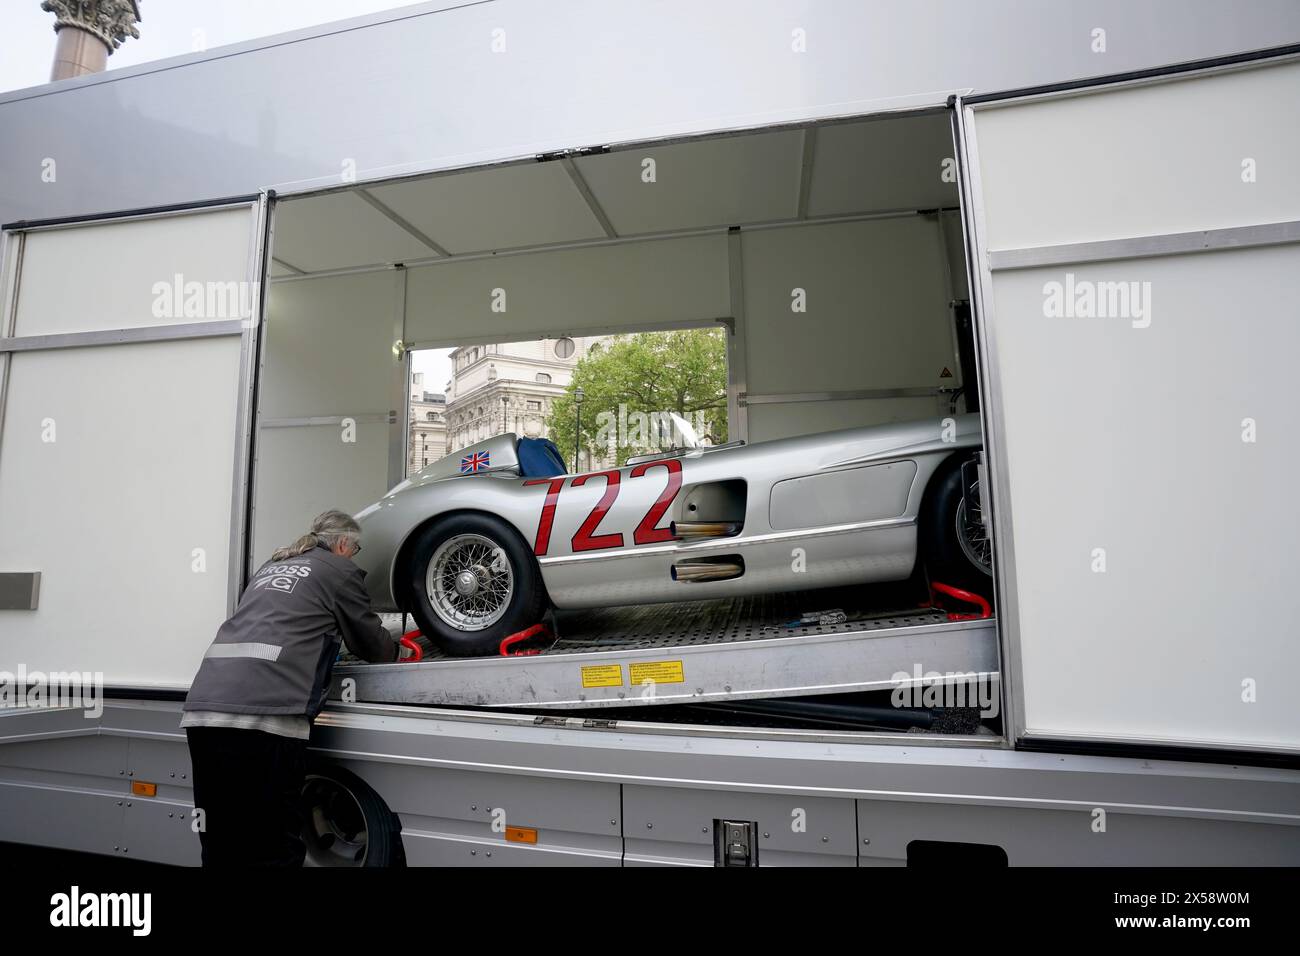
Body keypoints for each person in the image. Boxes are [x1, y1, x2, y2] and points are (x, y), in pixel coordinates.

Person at [181, 509, 400, 866]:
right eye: (356, 548)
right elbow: (371, 644)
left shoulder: (273, 564)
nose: (354, 555)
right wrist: (398, 649)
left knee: (222, 835)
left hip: (205, 709)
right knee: (274, 839)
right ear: (344, 543)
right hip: (267, 717)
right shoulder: (340, 571)